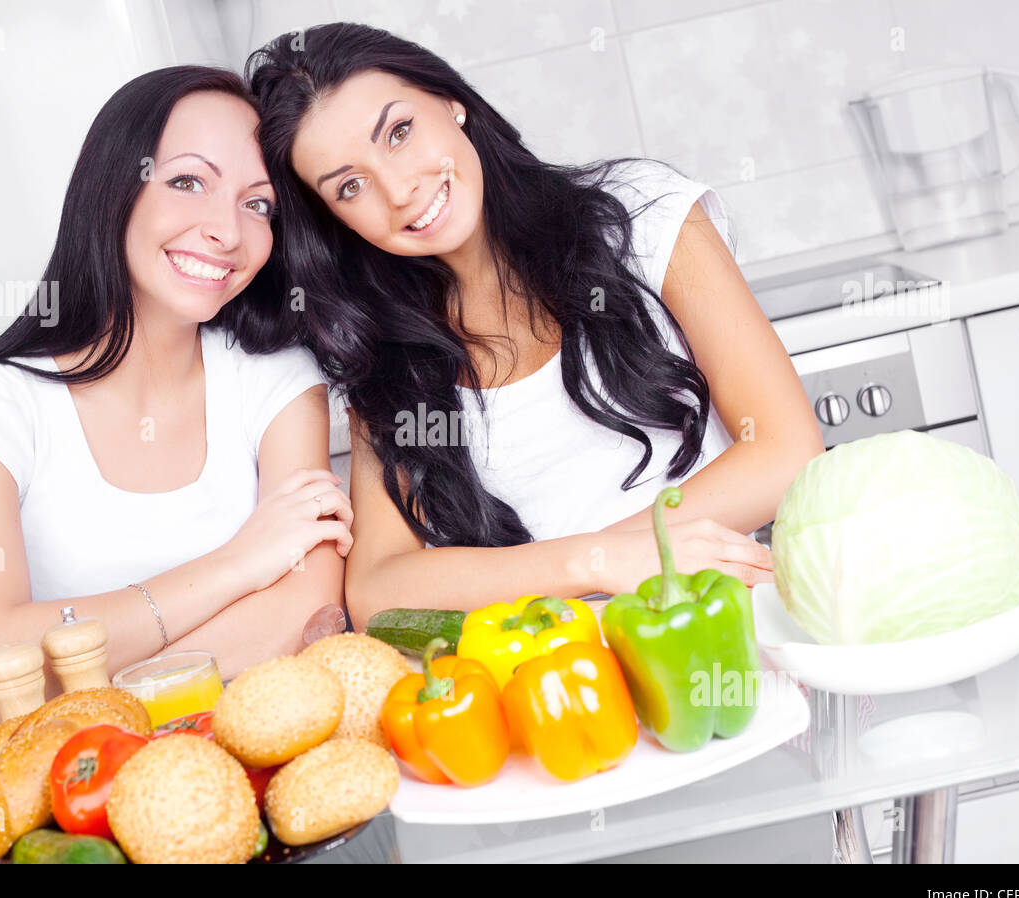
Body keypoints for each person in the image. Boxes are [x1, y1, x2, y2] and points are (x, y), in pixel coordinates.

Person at [243, 24, 825, 630]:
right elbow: (377, 591)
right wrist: (593, 563)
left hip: (734, 636)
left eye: (399, 131)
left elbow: (784, 451)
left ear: (450, 101)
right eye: (351, 186)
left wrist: (598, 562)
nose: (399, 190)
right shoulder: (388, 354)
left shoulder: (639, 219)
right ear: (336, 218)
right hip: (556, 687)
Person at [0, 66, 352, 733]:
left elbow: (308, 611)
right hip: (91, 805)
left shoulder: (278, 379)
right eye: (186, 181)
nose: (226, 232)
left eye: (258, 203)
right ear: (113, 188)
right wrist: (239, 563)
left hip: (275, 758)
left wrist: (49, 697)